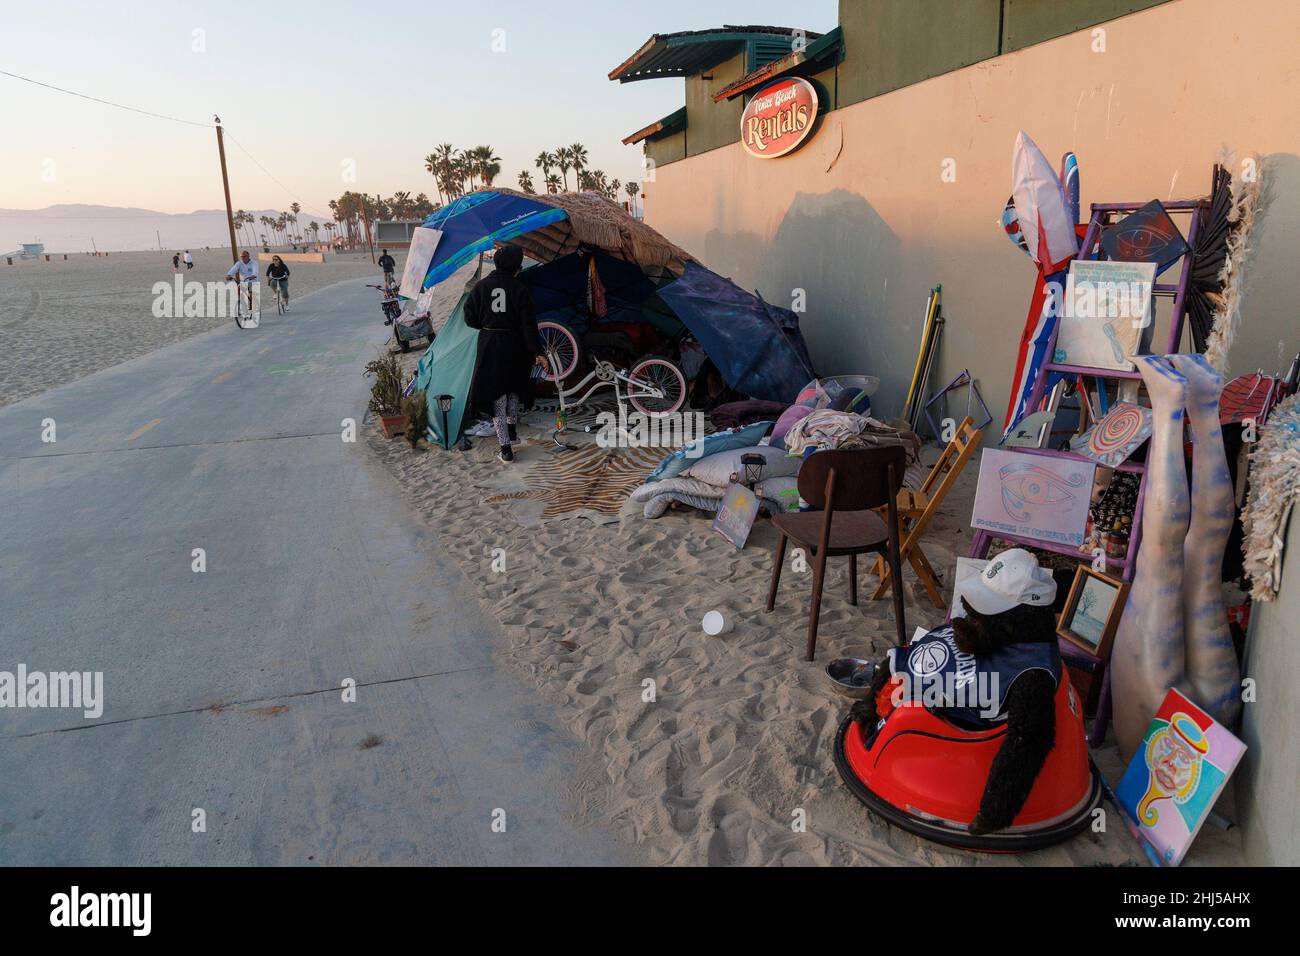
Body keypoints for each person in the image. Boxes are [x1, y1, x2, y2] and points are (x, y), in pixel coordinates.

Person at [462, 245, 546, 462]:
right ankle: (512, 432)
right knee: (513, 390)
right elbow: (529, 325)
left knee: (496, 397)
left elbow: (469, 316)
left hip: (490, 343)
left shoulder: (481, 287)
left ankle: (505, 449)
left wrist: (485, 324)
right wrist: (537, 351)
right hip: (515, 344)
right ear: (516, 267)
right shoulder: (520, 289)